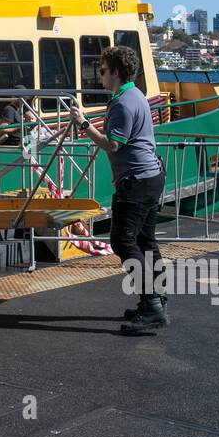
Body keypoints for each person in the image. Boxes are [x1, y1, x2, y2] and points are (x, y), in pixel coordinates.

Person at [69, 46, 168, 335]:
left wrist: (84, 124)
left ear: (115, 72)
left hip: (135, 181)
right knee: (145, 241)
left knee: (123, 242)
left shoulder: (124, 102)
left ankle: (151, 304)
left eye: (101, 71)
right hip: (150, 176)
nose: (99, 76)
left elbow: (114, 144)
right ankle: (157, 299)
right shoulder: (135, 95)